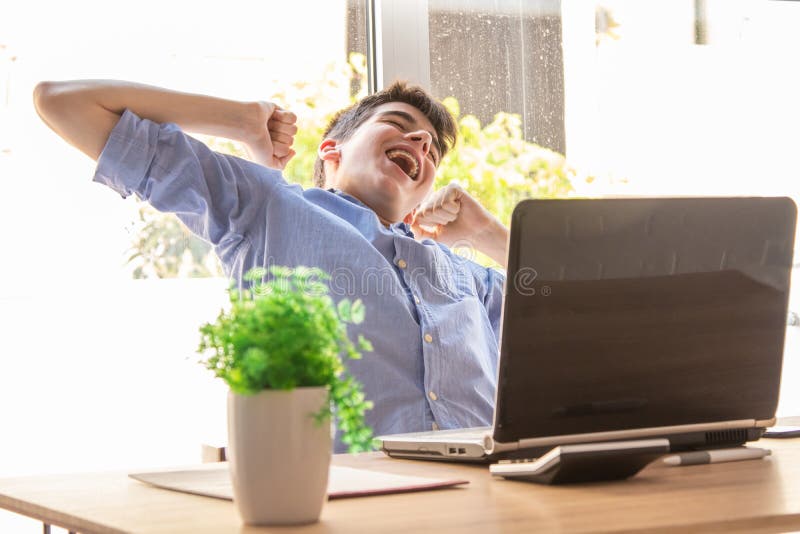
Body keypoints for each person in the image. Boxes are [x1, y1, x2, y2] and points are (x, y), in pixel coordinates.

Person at [33, 79, 510, 452]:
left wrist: (486, 234)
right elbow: (63, 103)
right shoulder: (267, 207)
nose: (422, 141)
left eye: (432, 150)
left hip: (492, 502)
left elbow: (581, 310)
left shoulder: (463, 274)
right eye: (399, 123)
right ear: (331, 150)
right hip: (348, 506)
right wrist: (237, 119)